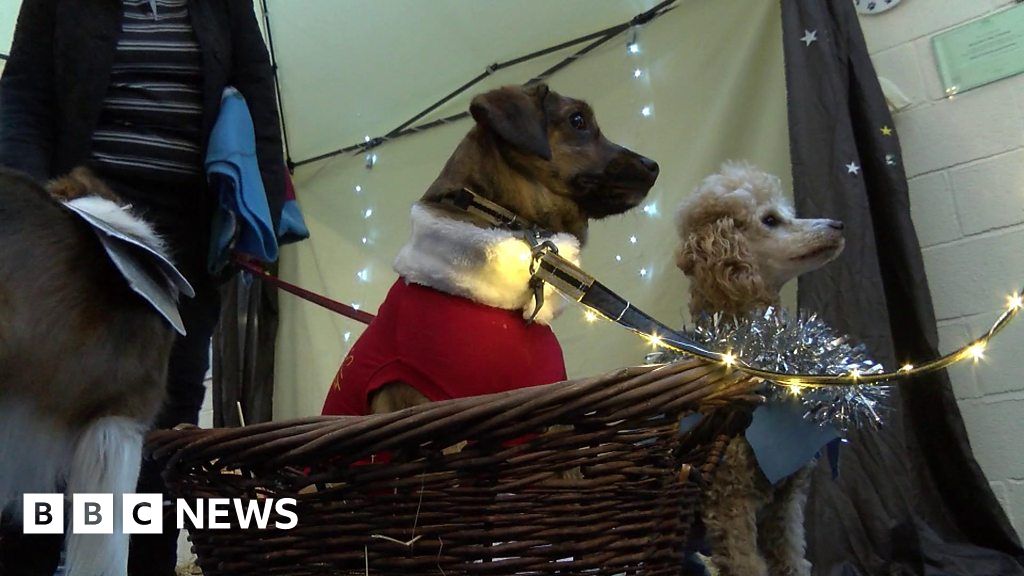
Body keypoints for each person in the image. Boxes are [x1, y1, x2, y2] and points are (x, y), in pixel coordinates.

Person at [0, 0, 286, 574]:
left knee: (164, 432)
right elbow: (22, 97)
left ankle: (145, 564)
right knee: (41, 412)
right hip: (72, 230)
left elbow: (258, 97)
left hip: (184, 247)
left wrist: (260, 217)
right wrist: (29, 216)